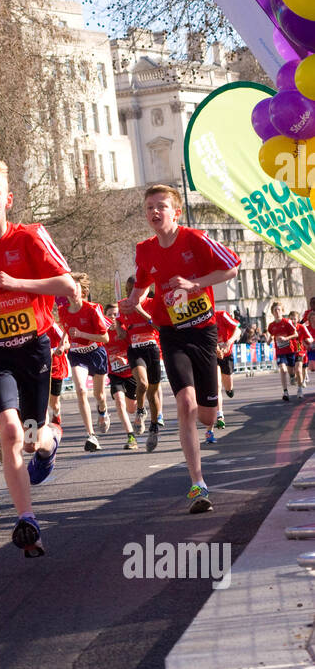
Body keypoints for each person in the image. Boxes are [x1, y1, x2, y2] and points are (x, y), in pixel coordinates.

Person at [0, 159, 75, 560]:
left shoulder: (30, 238)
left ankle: (50, 440)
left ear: (9, 200)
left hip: (33, 349)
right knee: (8, 432)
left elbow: (67, 284)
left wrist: (17, 282)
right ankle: (27, 520)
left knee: (35, 437)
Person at [121, 184, 239, 513]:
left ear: (176, 211)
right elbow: (143, 280)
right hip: (171, 333)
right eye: (149, 208)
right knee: (184, 402)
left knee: (208, 416)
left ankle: (213, 406)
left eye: (161, 206)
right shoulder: (144, 248)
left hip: (203, 332)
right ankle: (197, 483)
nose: (154, 212)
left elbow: (231, 268)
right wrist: (133, 301)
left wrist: (196, 283)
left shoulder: (196, 239)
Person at [59, 274, 111, 451]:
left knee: (99, 396)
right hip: (77, 355)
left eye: (76, 288)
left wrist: (81, 334)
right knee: (81, 390)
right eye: (69, 289)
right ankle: (91, 435)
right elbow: (67, 330)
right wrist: (63, 343)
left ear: (83, 291)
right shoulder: (63, 311)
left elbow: (105, 337)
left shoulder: (93, 308)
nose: (72, 292)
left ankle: (103, 411)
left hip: (95, 352)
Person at [120, 274, 164, 449]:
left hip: (152, 348)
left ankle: (153, 428)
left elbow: (160, 327)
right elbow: (119, 323)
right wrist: (119, 329)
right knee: (143, 384)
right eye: (129, 291)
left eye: (136, 290)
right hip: (135, 349)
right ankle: (140, 410)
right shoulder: (123, 305)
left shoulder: (154, 304)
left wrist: (141, 311)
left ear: (146, 290)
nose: (133, 294)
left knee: (153, 394)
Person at [104, 302, 139, 449]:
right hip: (115, 375)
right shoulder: (103, 334)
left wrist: (125, 359)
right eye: (109, 315)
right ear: (105, 317)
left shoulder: (125, 331)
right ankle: (131, 436)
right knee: (119, 401)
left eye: (115, 315)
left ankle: (140, 413)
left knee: (131, 409)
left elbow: (136, 350)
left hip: (131, 373)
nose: (112, 318)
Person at [211, 308, 240, 438]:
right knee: (216, 385)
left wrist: (229, 341)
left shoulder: (221, 315)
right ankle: (220, 415)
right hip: (213, 356)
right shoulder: (201, 322)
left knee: (227, 385)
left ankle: (230, 389)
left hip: (226, 354)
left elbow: (238, 329)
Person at [267, 302, 299, 403]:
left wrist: (286, 338)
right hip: (280, 351)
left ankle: (292, 376)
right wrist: (269, 340)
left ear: (282, 311)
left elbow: (296, 334)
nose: (277, 312)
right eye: (275, 310)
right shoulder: (271, 326)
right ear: (272, 312)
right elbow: (272, 334)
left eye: (279, 310)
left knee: (291, 371)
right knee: (282, 369)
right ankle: (285, 392)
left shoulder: (287, 322)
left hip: (290, 350)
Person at [48, 309, 70, 430]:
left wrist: (58, 348)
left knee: (54, 403)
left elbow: (67, 343)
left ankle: (56, 414)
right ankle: (42, 429)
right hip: (39, 370)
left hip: (56, 370)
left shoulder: (53, 326)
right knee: (40, 403)